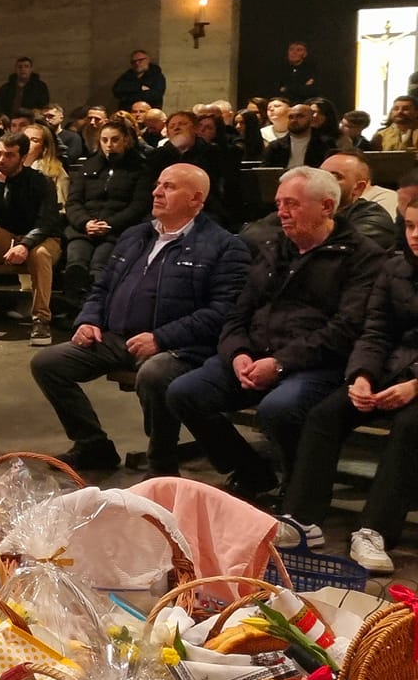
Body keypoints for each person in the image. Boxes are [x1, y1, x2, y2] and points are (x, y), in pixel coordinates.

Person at [167, 166, 385, 500]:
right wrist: (238, 353)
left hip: (316, 364)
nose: (281, 212)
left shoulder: (361, 255)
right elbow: (239, 312)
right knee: (184, 392)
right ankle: (253, 472)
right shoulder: (273, 248)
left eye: (292, 204)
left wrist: (280, 363)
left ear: (326, 207)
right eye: (279, 203)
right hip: (255, 354)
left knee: (278, 409)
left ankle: (300, 490)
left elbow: (345, 329)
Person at [31, 164, 248, 476]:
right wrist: (88, 319)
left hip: (183, 347)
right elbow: (103, 286)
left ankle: (162, 464)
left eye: (169, 187)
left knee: (155, 373)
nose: (156, 192)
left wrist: (161, 338)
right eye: (158, 184)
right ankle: (93, 445)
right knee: (48, 362)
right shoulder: (136, 235)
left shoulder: (224, 246)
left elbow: (222, 312)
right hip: (119, 338)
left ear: (196, 199)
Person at [279, 198, 418, 571]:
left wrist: (415, 386)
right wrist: (362, 376)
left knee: (410, 426)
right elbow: (376, 331)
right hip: (390, 371)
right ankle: (301, 519)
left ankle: (375, 531)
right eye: (409, 226)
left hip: (414, 383)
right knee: (326, 414)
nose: (415, 236)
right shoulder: (396, 268)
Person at [0, 133, 64, 344]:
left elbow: (47, 222)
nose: (1, 160)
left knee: (41, 254)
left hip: (42, 238)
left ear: (23, 157)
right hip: (8, 238)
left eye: (9, 155)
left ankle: (41, 320)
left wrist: (25, 245)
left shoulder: (40, 181)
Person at [61, 121, 148, 299]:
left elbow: (138, 206)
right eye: (105, 140)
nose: (109, 145)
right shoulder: (89, 166)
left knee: (100, 265)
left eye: (115, 140)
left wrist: (109, 224)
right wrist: (86, 222)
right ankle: (70, 308)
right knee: (76, 262)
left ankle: (96, 309)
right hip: (84, 228)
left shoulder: (139, 168)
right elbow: (74, 202)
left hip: (116, 230)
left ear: (126, 140)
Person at [323, 153, 400, 251]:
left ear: (358, 187)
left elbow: (335, 255)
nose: (322, 181)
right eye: (320, 175)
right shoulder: (305, 209)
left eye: (335, 177)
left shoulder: (373, 216)